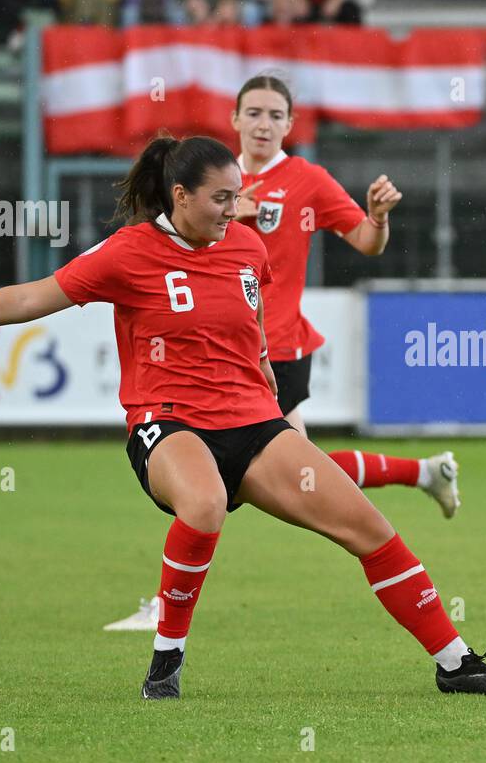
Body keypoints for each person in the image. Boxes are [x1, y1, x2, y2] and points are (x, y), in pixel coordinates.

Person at [0, 133, 486, 701]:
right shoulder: (127, 253)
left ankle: (456, 665)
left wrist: (268, 376)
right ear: (180, 196)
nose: (235, 209)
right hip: (167, 422)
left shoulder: (246, 248)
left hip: (253, 421)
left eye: (238, 196)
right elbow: (29, 296)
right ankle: (167, 659)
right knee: (206, 503)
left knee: (369, 527)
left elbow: (250, 329)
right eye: (222, 198)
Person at [104, 74, 459, 633]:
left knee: (295, 477)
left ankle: (166, 608)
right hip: (223, 350)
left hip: (278, 350)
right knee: (294, 476)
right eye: (255, 113)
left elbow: (366, 241)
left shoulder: (307, 180)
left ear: (291, 125)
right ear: (235, 119)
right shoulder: (212, 182)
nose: (264, 124)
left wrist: (380, 217)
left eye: (276, 115)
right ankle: (422, 473)